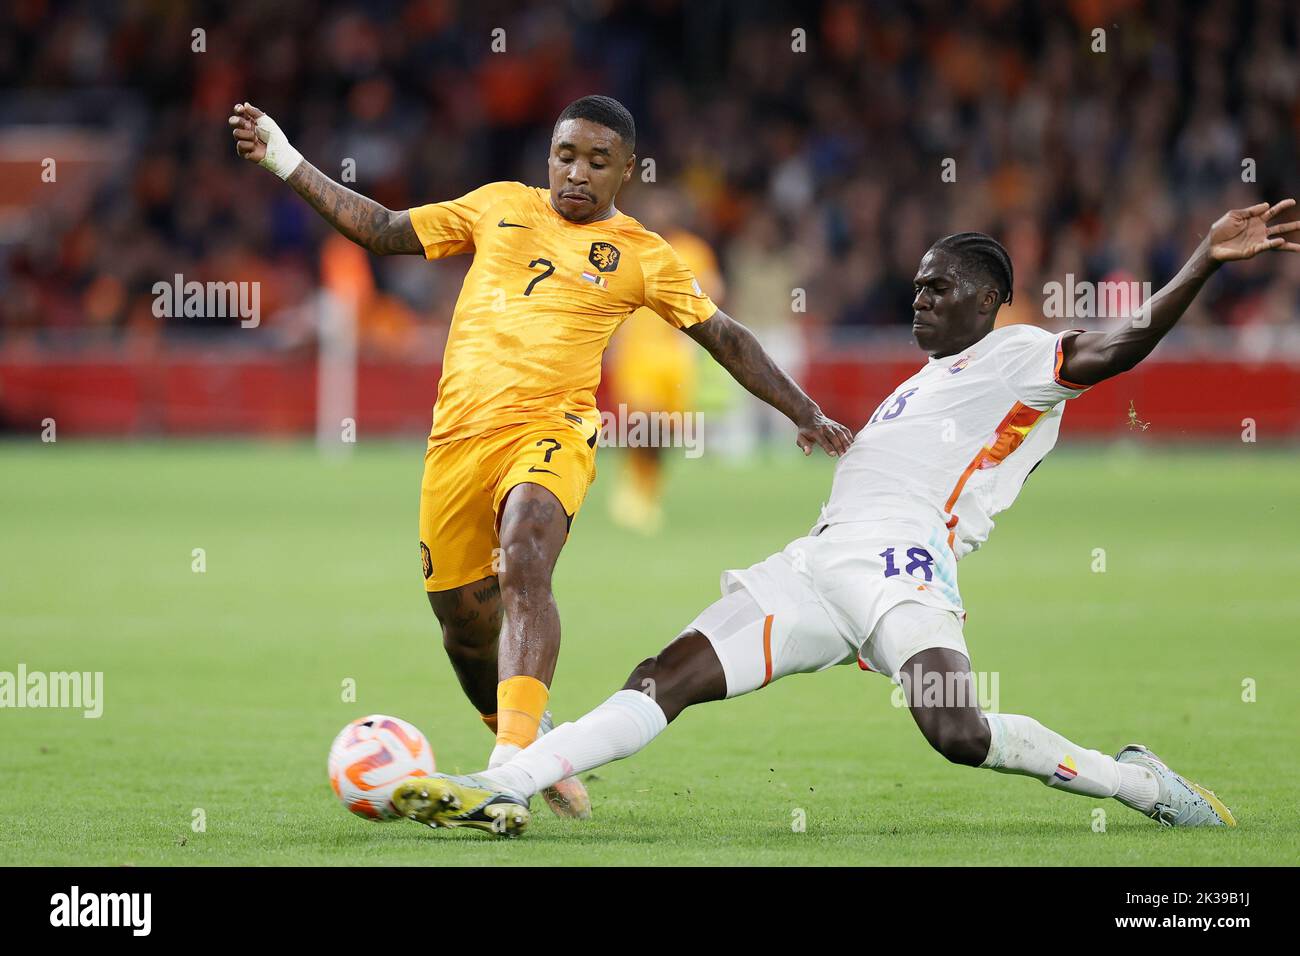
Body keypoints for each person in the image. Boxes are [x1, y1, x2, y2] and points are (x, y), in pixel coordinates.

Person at [390, 200, 1299, 836]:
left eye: (940, 288)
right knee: (662, 677)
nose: (920, 298)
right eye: (917, 285)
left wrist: (1204, 262)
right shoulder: (920, 382)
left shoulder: (1021, 356)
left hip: (904, 569)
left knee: (958, 733)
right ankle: (503, 782)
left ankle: (1138, 784)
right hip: (816, 569)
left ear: (988, 301)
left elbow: (1121, 343)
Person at [229, 95, 852, 820]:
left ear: (625, 170)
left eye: (597, 161)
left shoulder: (644, 255)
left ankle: (509, 767)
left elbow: (726, 337)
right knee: (463, 627)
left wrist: (804, 411)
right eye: (565, 155)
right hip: (457, 445)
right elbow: (386, 230)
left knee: (525, 552)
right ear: (548, 157)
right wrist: (284, 159)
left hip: (551, 431)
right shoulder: (496, 205)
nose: (577, 173)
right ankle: (527, 739)